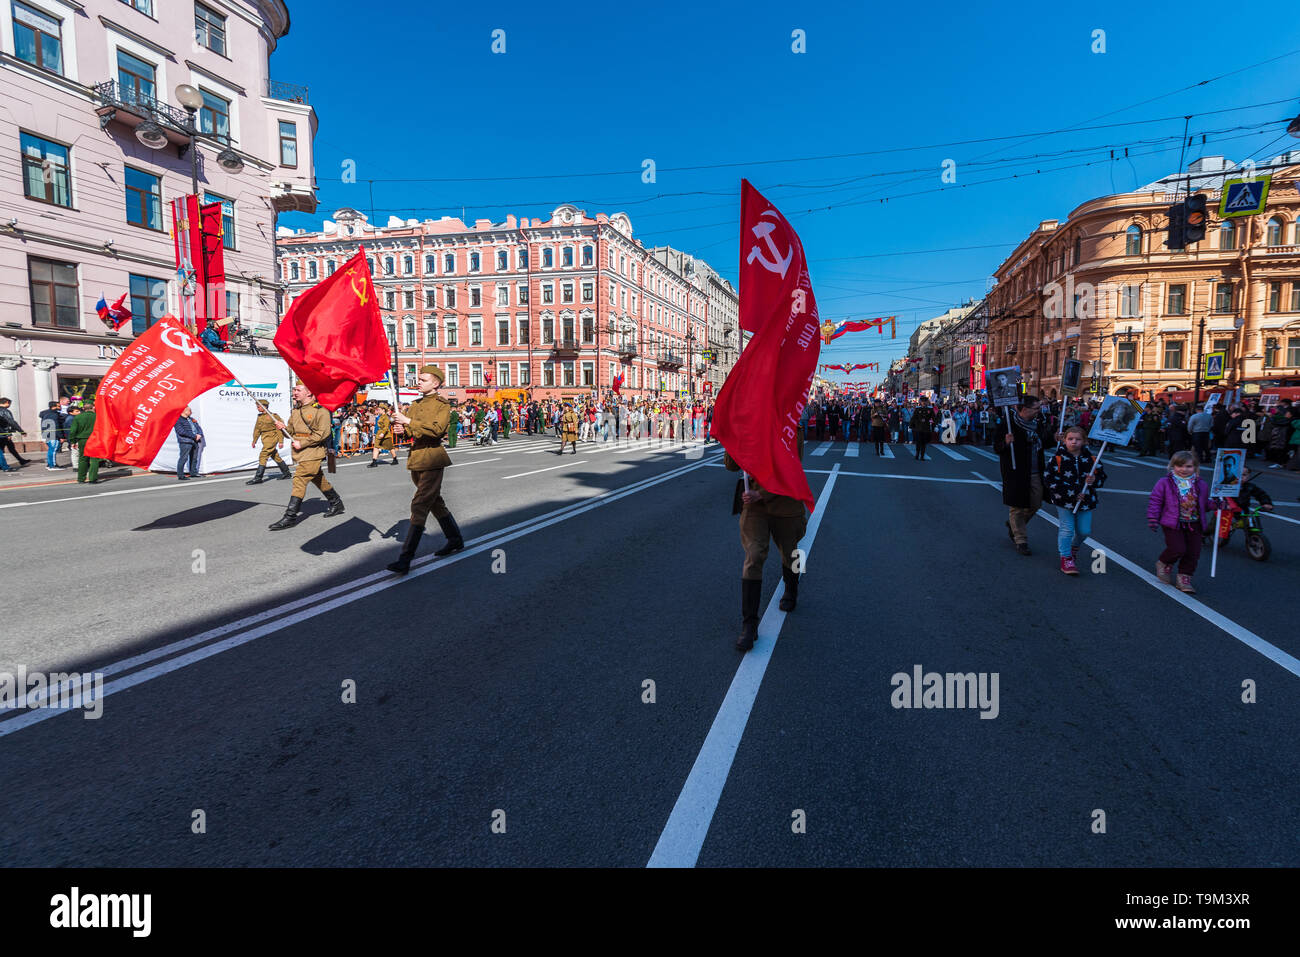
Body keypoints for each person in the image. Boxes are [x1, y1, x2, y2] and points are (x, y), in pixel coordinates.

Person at [724, 430, 807, 652]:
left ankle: (792, 588)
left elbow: (790, 466)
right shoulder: (752, 423)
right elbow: (732, 466)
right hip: (754, 506)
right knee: (754, 555)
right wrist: (734, 436)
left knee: (791, 553)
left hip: (785, 502)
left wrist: (762, 494)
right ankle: (749, 625)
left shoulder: (792, 427)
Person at [387, 365, 464, 573]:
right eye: (418, 379)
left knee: (420, 504)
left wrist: (408, 421)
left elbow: (436, 430)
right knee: (435, 503)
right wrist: (401, 429)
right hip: (417, 458)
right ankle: (455, 539)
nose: (418, 382)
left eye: (423, 379)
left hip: (432, 458)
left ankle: (405, 559)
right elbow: (411, 432)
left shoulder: (443, 405)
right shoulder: (415, 404)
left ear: (436, 383)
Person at [268, 381, 345, 530]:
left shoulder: (320, 410)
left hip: (313, 452)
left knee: (300, 479)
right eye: (294, 389)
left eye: (298, 390)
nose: (294, 392)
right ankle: (337, 504)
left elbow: (323, 433)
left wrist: (302, 443)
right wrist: (282, 427)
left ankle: (290, 516)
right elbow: (290, 432)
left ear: (309, 393)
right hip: (301, 453)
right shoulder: (296, 410)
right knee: (319, 479)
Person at [1148, 450, 1220, 594]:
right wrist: (1153, 517)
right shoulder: (1165, 483)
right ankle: (1164, 562)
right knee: (1177, 548)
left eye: (1188, 466)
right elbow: (1156, 501)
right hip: (1173, 523)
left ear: (1195, 468)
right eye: (1179, 466)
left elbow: (1204, 504)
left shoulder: (1201, 484)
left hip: (1195, 523)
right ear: (1172, 466)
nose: (1184, 470)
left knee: (1193, 553)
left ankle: (1184, 577)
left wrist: (1216, 504)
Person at [1044, 426, 1107, 576]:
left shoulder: (1092, 459)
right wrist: (1071, 494)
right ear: (1064, 440)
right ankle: (1066, 558)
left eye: (1078, 439)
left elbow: (1102, 478)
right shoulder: (1057, 459)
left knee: (1084, 531)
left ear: (1084, 441)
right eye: (1070, 439)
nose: (1074, 442)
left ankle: (1074, 547)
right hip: (1064, 501)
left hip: (1086, 501)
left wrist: (1094, 480)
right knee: (1067, 529)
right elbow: (1049, 480)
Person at [994, 394, 1047, 555]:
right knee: (1017, 506)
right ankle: (1021, 540)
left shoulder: (1037, 424)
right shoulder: (1008, 425)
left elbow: (1045, 442)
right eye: (1036, 408)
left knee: (1036, 503)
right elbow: (997, 447)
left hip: (1035, 469)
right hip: (1016, 471)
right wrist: (1006, 442)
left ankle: (1014, 525)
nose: (1039, 411)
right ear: (1024, 409)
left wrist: (1057, 438)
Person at [246, 399, 291, 484]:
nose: (257, 408)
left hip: (272, 437)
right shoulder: (259, 416)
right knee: (275, 455)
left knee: (263, 455)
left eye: (259, 406)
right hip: (264, 438)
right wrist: (254, 440)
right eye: (257, 406)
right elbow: (257, 429)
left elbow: (279, 429)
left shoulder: (274, 416)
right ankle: (286, 473)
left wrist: (281, 441)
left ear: (265, 406)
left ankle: (258, 477)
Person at [68, 400, 100, 484]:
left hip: (82, 439)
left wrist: (73, 441)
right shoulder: (97, 416)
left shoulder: (78, 417)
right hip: (95, 439)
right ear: (93, 407)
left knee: (82, 459)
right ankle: (92, 478)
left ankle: (81, 478)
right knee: (94, 459)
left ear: (83, 408)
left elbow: (73, 431)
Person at [173, 406, 204, 480]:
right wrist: (194, 436)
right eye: (189, 410)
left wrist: (199, 434)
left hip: (195, 441)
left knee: (194, 458)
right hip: (185, 442)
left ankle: (193, 472)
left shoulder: (191, 419)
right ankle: (181, 475)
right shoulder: (178, 420)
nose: (191, 412)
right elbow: (181, 432)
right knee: (183, 458)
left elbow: (198, 428)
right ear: (183, 411)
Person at [0, 398, 31, 468]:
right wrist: (21, 431)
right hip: (4, 433)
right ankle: (4, 466)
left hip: (4, 433)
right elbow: (11, 422)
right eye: (9, 404)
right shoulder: (5, 411)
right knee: (1, 450)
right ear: (7, 402)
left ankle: (21, 460)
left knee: (11, 447)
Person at [368, 403, 400, 467]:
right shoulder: (380, 416)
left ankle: (395, 458)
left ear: (383, 410)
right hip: (379, 433)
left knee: (390, 447)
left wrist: (383, 433)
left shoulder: (386, 417)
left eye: (379, 409)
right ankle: (374, 461)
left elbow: (386, 427)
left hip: (385, 434)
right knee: (376, 447)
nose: (378, 410)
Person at [39, 401, 66, 470]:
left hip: (47, 434)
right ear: (54, 407)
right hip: (53, 434)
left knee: (51, 450)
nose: (60, 408)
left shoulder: (46, 414)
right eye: (59, 406)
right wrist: (61, 436)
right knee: (53, 450)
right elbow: (56, 426)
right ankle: (53, 466)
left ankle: (50, 464)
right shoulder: (54, 415)